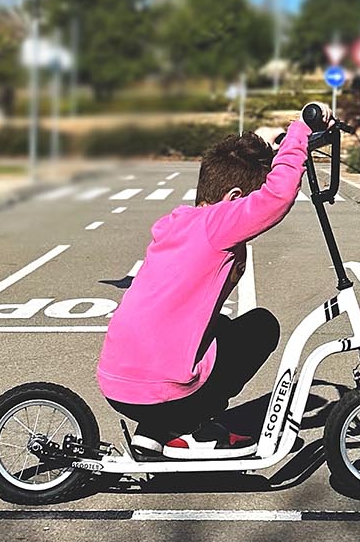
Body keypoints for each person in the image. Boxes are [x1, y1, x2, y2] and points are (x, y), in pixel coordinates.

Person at [97, 112, 326, 454]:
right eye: (247, 202)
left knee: (216, 326)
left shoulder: (177, 223)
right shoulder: (218, 223)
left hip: (119, 384)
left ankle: (154, 431)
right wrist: (300, 133)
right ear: (234, 199)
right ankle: (193, 428)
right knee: (261, 327)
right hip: (160, 389)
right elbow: (277, 198)